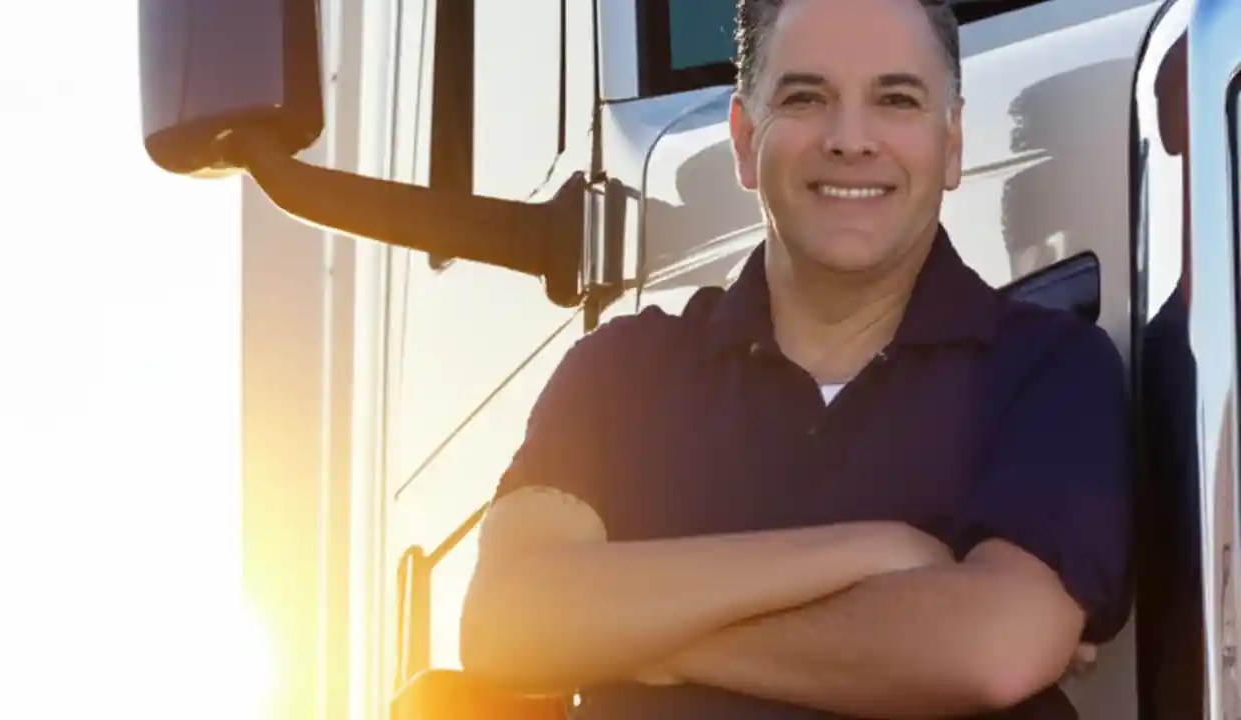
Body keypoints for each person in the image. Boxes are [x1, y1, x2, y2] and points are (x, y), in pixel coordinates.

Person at [459, 0, 1133, 718]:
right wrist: (870, 549)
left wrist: (633, 638)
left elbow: (993, 649)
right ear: (745, 141)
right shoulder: (620, 373)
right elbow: (507, 620)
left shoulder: (1051, 370)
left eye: (896, 99)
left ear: (953, 141)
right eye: (805, 98)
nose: (850, 139)